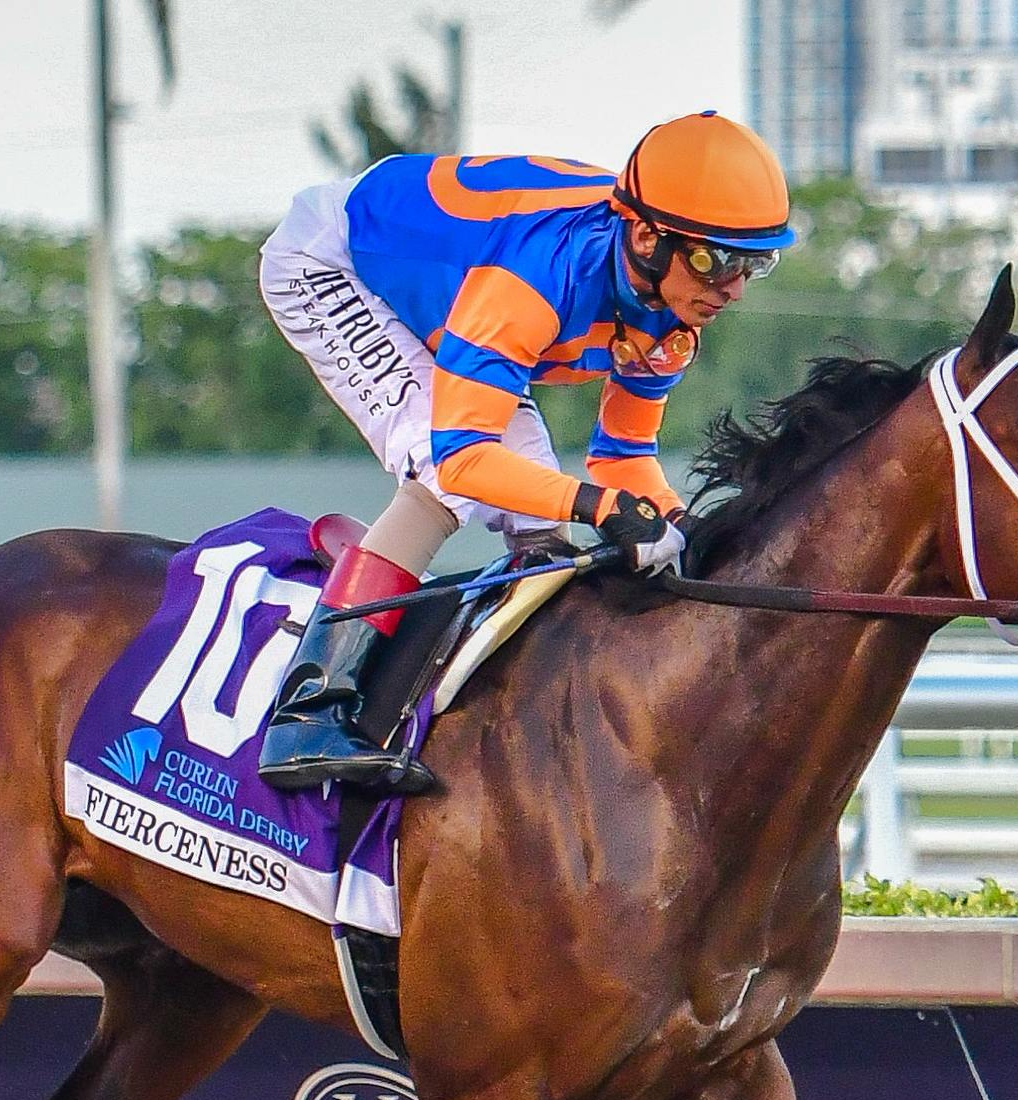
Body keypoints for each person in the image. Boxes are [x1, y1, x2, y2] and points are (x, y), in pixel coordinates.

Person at [253, 111, 796, 795]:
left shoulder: (673, 321)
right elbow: (463, 459)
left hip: (446, 290)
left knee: (541, 523)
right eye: (718, 260)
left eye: (755, 263)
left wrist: (678, 524)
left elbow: (623, 457)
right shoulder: (533, 282)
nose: (735, 288)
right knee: (441, 478)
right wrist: (602, 509)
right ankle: (308, 712)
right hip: (332, 262)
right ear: (648, 238)